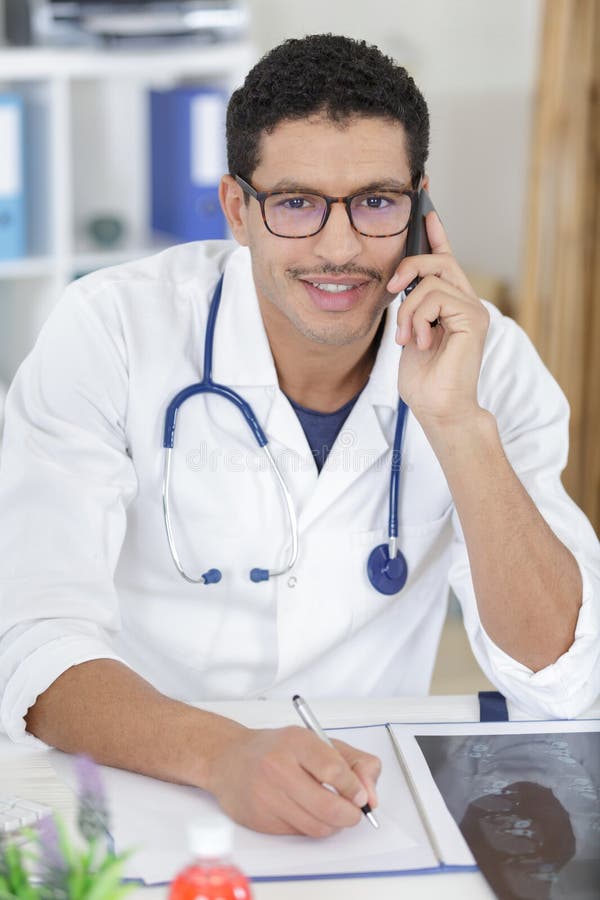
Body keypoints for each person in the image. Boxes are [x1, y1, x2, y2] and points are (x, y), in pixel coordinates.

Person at [0, 34, 598, 839]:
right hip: (143, 778)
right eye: (297, 203)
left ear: (421, 207)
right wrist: (221, 755)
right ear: (237, 209)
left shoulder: (487, 361)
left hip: (367, 804)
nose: (341, 247)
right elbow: (29, 640)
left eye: (376, 201)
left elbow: (565, 680)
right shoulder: (112, 330)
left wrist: (458, 426)